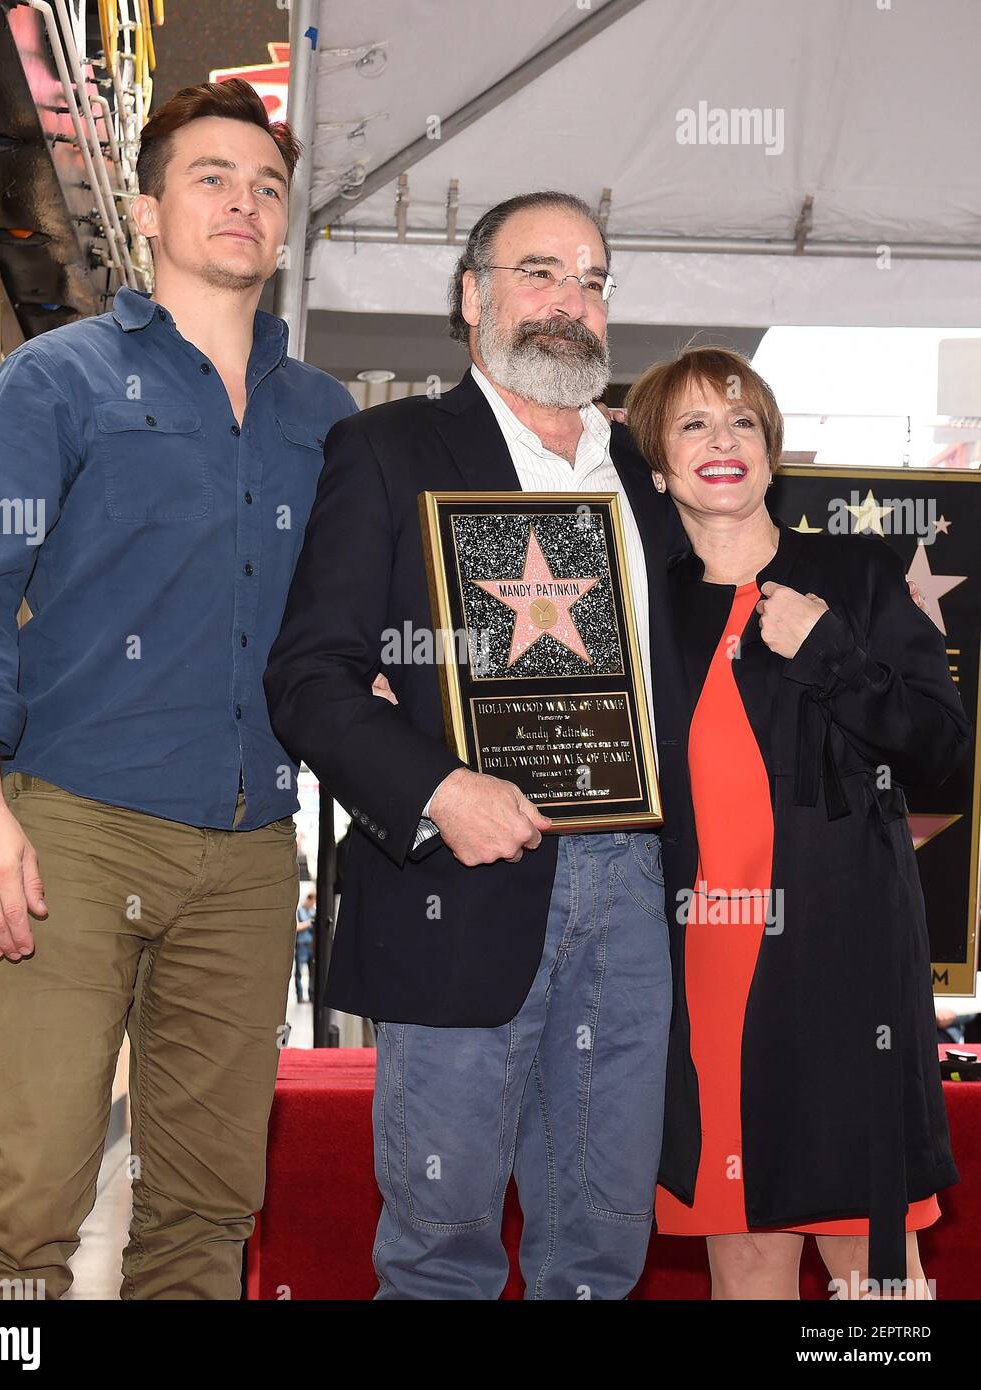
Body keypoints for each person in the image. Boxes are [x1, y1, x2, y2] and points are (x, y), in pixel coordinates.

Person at [0, 80, 356, 1299]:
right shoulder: (59, 379)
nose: (243, 204)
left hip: (254, 853)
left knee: (207, 1215)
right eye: (211, 178)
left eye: (266, 187)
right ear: (148, 212)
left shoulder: (327, 416)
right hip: (74, 834)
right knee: (22, 1205)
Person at [265, 191, 694, 1299]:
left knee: (601, 1245)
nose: (571, 303)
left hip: (632, 891)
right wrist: (438, 786)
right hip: (463, 883)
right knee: (440, 1250)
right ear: (473, 297)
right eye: (542, 272)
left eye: (594, 282)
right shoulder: (389, 449)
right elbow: (308, 677)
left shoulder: (650, 480)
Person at [623, 346, 969, 1299]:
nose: (722, 441)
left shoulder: (855, 575)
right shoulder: (644, 606)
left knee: (867, 1256)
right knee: (741, 1245)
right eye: (693, 425)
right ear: (657, 467)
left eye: (743, 423)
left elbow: (942, 747)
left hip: (840, 965)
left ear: (773, 453)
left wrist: (828, 652)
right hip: (696, 970)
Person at [294, 891, 316, 1003]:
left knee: (312, 972)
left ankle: (312, 995)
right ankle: (300, 996)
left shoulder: (313, 911)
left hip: (311, 945)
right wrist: (309, 923)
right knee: (299, 971)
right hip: (301, 944)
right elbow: (296, 927)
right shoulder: (299, 911)